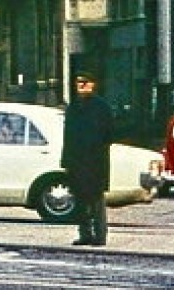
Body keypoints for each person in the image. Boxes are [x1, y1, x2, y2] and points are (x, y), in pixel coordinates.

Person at [61, 70, 114, 246]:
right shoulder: (73, 108)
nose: (82, 86)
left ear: (93, 84)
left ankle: (99, 235)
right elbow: (68, 136)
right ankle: (85, 233)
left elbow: (110, 134)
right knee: (80, 199)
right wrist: (66, 161)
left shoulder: (102, 107)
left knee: (96, 199)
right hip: (77, 161)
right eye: (78, 83)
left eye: (85, 82)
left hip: (95, 161)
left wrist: (98, 148)